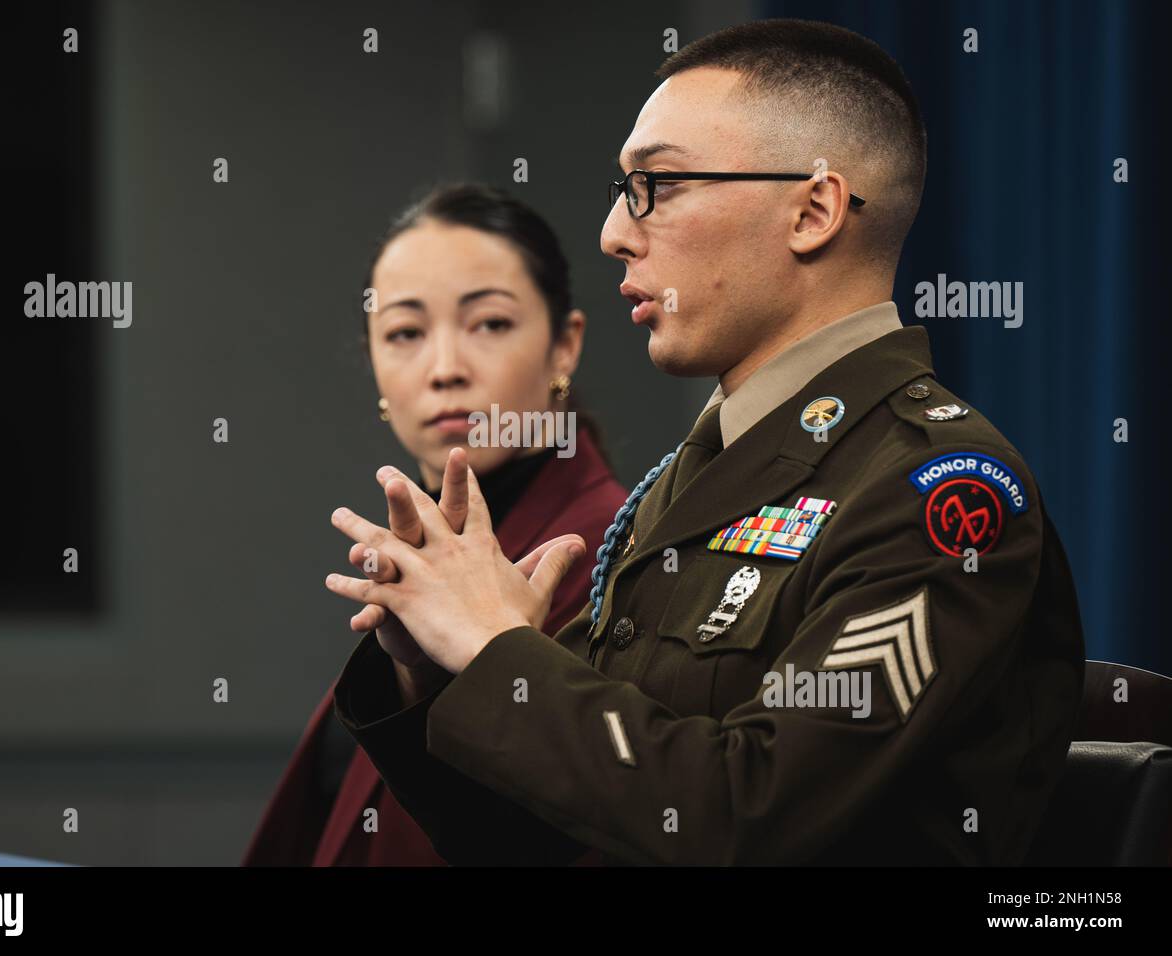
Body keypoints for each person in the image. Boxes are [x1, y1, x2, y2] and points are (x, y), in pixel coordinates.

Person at [321, 20, 1086, 865]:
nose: (615, 229)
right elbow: (554, 827)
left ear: (814, 210)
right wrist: (433, 671)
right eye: (623, 188)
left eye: (659, 184)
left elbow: (746, 822)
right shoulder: (694, 474)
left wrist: (499, 653)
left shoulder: (938, 494)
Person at [243, 184, 627, 866]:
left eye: (491, 324)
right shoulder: (424, 554)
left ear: (564, 346)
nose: (445, 369)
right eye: (405, 333)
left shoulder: (602, 551)